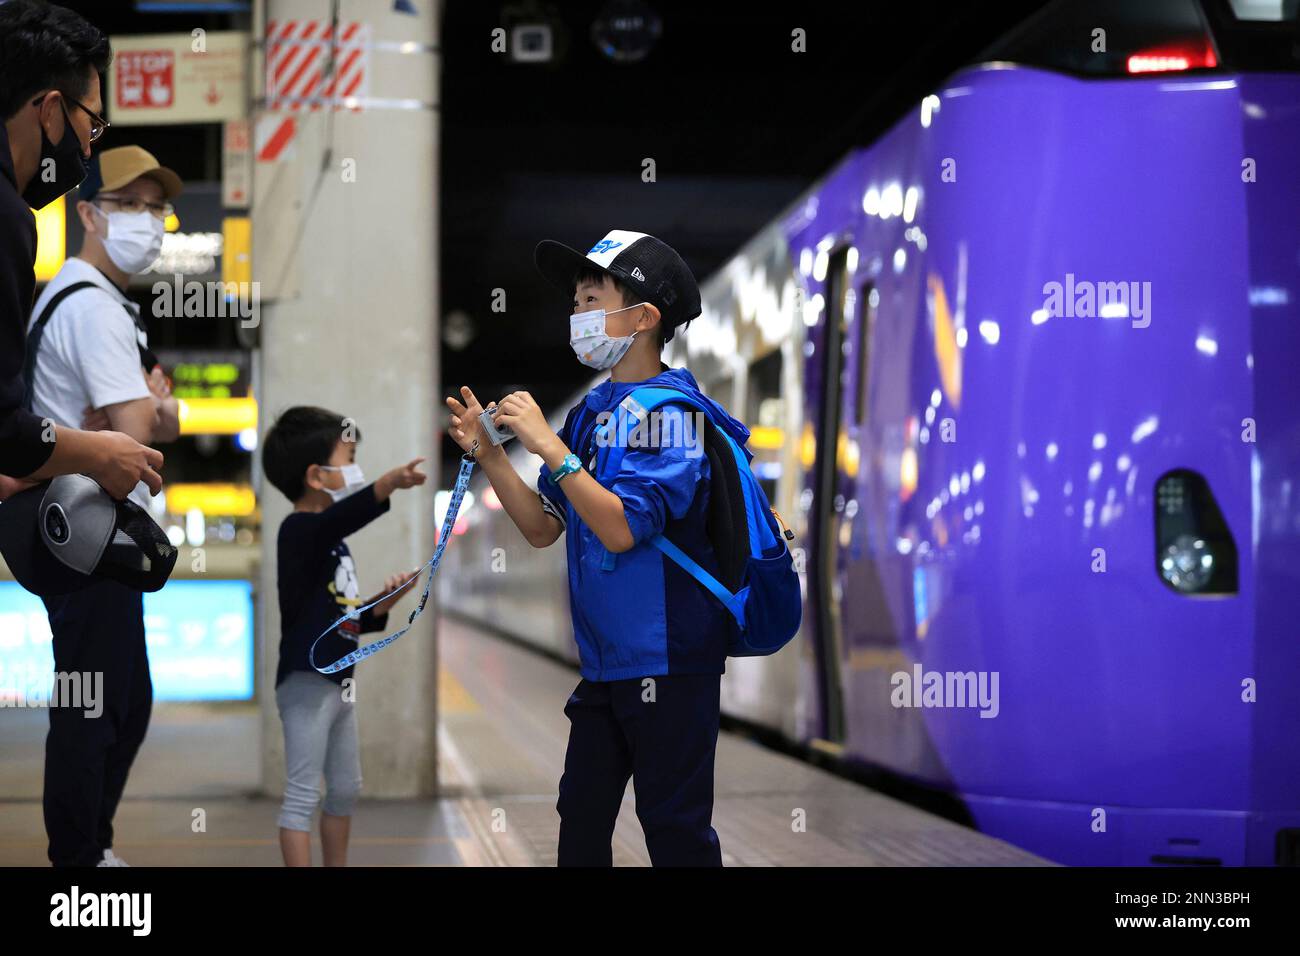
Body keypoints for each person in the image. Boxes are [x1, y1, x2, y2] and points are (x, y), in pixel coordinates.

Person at [446, 230, 748, 866]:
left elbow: (620, 527)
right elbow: (541, 526)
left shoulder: (673, 415)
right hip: (608, 667)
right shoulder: (591, 413)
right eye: (576, 301)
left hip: (670, 663)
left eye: (591, 297)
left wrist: (548, 447)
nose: (577, 313)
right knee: (579, 823)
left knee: (675, 830)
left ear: (643, 317)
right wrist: (492, 453)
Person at [25, 144, 184, 868]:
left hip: (84, 521)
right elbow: (139, 428)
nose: (149, 222)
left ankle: (91, 846)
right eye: (130, 206)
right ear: (87, 212)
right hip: (76, 525)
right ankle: (79, 865)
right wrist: (148, 411)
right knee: (93, 705)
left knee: (123, 699)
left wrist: (150, 410)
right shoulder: (91, 306)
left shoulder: (100, 301)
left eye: (157, 208)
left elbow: (153, 416)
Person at [0, 0, 163, 503]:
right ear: (50, 110)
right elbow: (5, 429)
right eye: (90, 125)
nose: (86, 150)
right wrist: (100, 452)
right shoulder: (8, 217)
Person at [261, 407, 426, 866]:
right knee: (301, 796)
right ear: (316, 475)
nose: (356, 469)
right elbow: (340, 519)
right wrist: (387, 484)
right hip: (307, 684)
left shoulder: (331, 542)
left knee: (346, 788)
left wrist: (386, 601)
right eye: (348, 457)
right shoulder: (299, 531)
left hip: (339, 683)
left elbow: (346, 618)